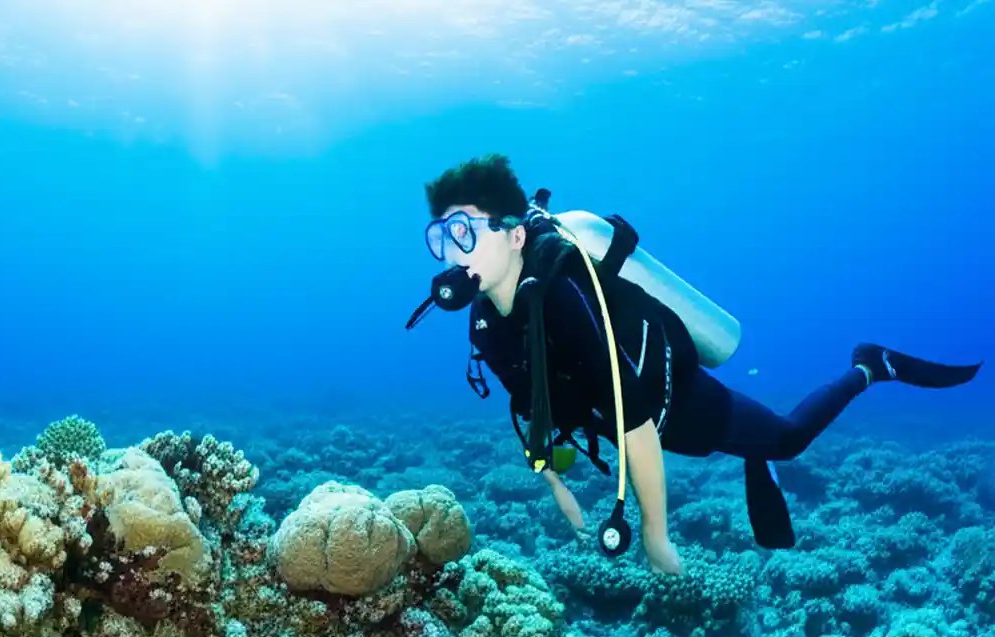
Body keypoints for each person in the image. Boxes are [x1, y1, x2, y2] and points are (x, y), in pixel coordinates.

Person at [407, 153, 983, 575]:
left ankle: (867, 366)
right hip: (634, 426)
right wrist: (557, 486)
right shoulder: (485, 318)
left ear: (512, 236)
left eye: (465, 232)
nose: (452, 252)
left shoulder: (558, 295)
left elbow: (634, 424)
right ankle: (756, 453)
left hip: (675, 401)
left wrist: (657, 535)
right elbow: (524, 402)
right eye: (441, 238)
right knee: (742, 443)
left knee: (784, 439)